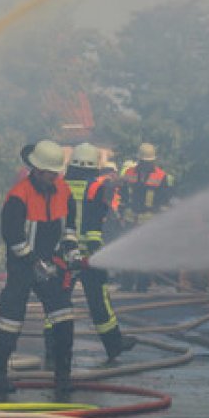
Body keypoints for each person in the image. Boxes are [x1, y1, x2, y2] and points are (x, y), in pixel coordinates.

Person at [0, 140, 76, 402]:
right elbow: (13, 237)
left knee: (64, 319)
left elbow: (69, 226)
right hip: (22, 266)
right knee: (10, 321)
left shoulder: (64, 190)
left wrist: (70, 250)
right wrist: (35, 262)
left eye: (56, 172)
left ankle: (63, 379)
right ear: (36, 169)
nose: (54, 177)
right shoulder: (19, 196)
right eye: (50, 172)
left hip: (52, 264)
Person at [63, 143, 136, 361]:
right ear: (95, 165)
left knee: (57, 305)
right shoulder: (95, 187)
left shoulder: (61, 185)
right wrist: (94, 252)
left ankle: (54, 348)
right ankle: (113, 345)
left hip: (62, 254)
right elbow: (96, 223)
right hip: (88, 256)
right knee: (99, 301)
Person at [120, 142, 174, 292]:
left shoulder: (161, 176)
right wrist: (121, 212)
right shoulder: (129, 173)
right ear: (139, 160)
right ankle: (126, 284)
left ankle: (142, 285)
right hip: (130, 218)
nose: (146, 165)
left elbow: (165, 201)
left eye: (148, 162)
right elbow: (123, 195)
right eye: (144, 162)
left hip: (149, 220)